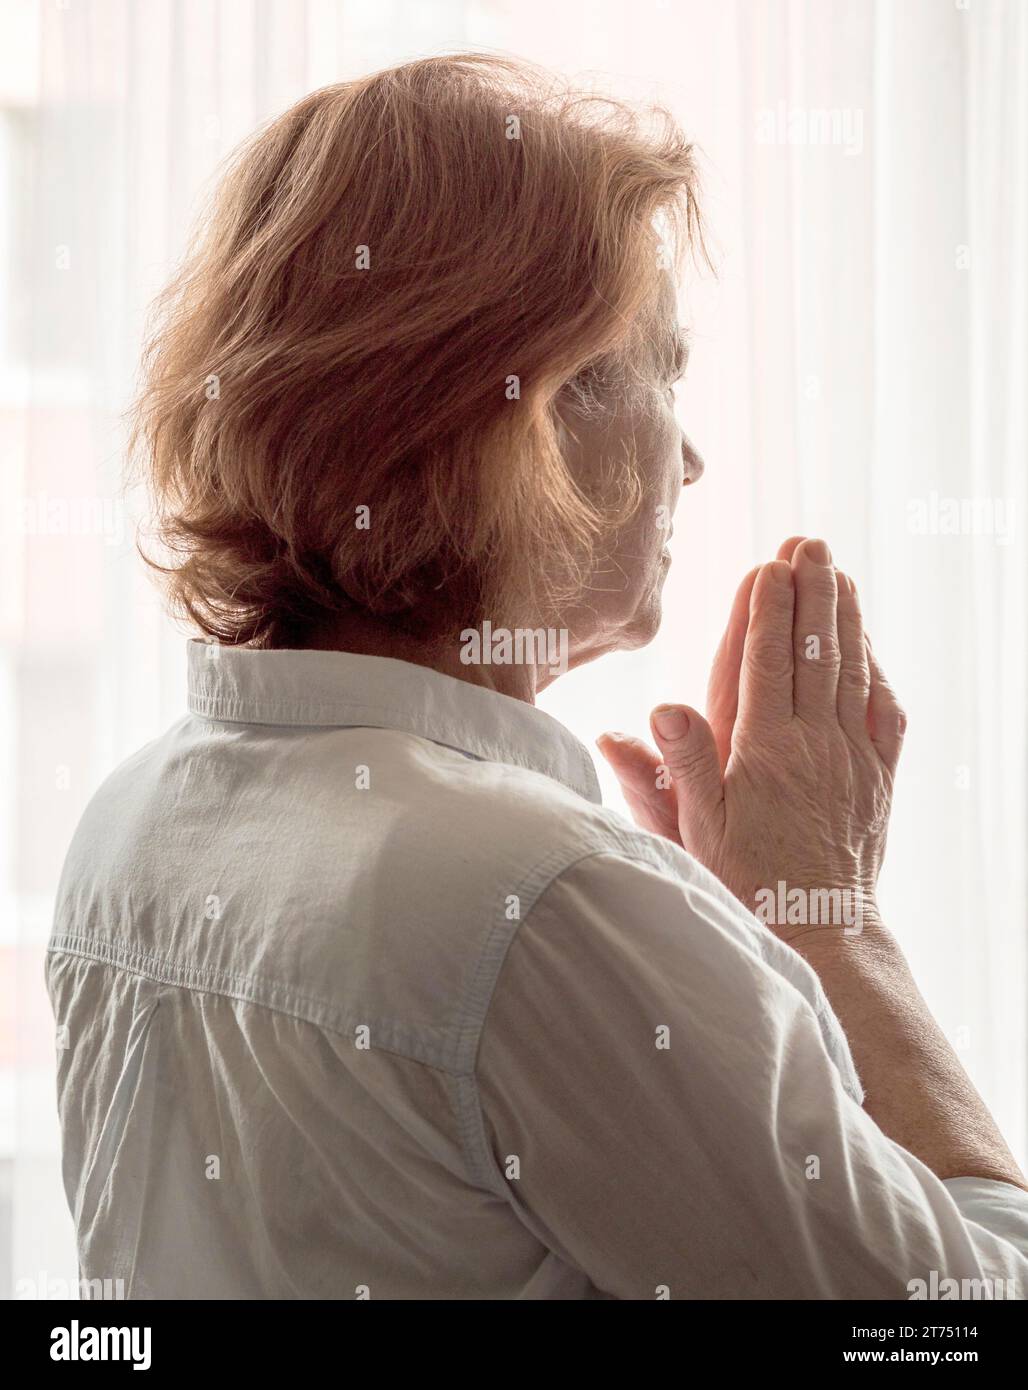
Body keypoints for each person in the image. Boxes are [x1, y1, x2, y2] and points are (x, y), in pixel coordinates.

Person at [47, 53, 1028, 1299]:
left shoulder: (130, 816)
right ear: (523, 414)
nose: (693, 457)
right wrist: (828, 918)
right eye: (659, 368)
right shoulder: (544, 901)